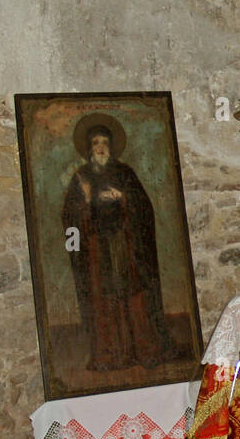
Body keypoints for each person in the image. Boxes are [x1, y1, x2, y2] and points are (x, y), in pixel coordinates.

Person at [61, 120, 174, 371]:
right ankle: (111, 354)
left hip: (125, 244)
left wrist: (122, 198)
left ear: (111, 146)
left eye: (104, 142)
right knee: (104, 299)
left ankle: (143, 350)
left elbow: (143, 207)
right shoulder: (81, 177)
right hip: (96, 249)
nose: (100, 148)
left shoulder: (125, 173)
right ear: (89, 148)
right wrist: (89, 199)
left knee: (133, 296)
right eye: (95, 143)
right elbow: (70, 217)